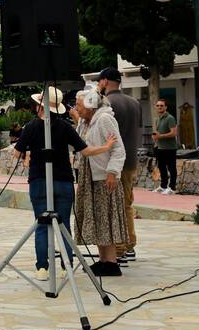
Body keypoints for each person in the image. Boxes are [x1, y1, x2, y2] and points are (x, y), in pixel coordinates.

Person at [14, 88, 117, 278]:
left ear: (40, 106)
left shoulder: (31, 127)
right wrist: (106, 147)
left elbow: (16, 152)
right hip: (63, 181)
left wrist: (28, 153)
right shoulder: (65, 127)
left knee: (42, 224)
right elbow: (85, 151)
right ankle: (65, 266)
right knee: (64, 225)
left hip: (39, 181)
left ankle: (42, 268)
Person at [72, 87, 129, 277]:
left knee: (106, 216)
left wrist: (112, 172)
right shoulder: (86, 122)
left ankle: (111, 262)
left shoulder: (104, 119)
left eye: (79, 105)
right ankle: (103, 260)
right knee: (97, 217)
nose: (77, 108)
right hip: (90, 175)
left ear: (90, 104)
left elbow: (118, 149)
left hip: (104, 175)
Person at [97, 66, 141, 265]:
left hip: (115, 162)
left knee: (116, 206)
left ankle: (121, 248)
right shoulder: (134, 102)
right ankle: (130, 243)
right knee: (127, 204)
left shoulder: (108, 103)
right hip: (132, 159)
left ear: (104, 81)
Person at [151, 98, 179, 194]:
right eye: (158, 105)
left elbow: (174, 133)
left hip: (170, 148)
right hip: (160, 148)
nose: (159, 107)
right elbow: (159, 133)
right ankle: (163, 186)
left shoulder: (170, 118)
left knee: (171, 168)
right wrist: (155, 139)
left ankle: (172, 188)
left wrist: (160, 136)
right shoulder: (158, 119)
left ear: (166, 107)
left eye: (161, 105)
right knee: (161, 167)